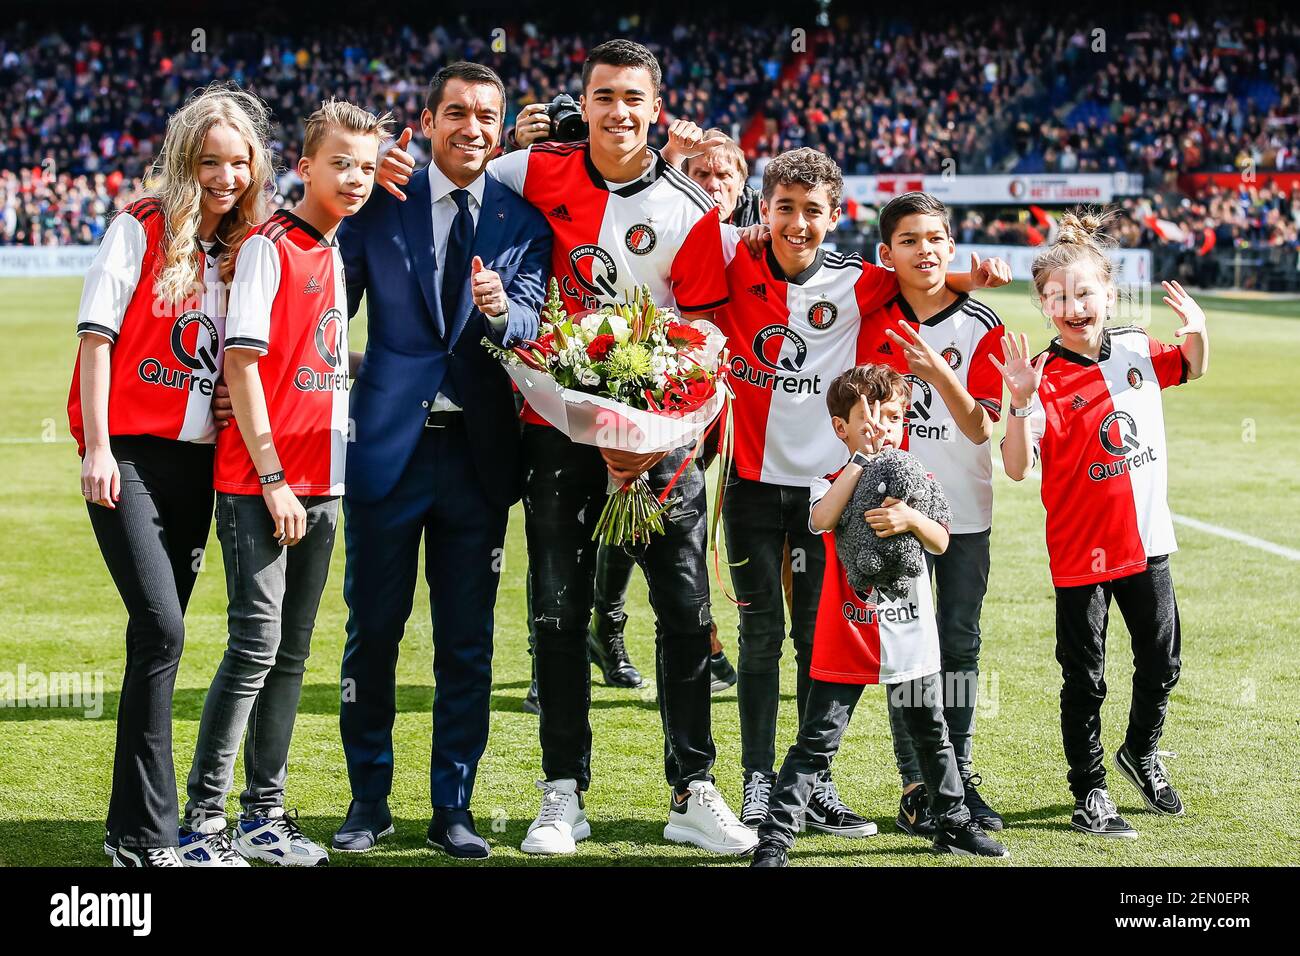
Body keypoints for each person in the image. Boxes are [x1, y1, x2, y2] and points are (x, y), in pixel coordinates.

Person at [379, 38, 755, 856]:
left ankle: (693, 790)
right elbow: (451, 169)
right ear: (581, 104)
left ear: (657, 110)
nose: (618, 112)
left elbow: (704, 340)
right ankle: (562, 794)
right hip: (554, 434)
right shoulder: (530, 175)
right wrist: (381, 160)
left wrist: (649, 439)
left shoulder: (691, 210)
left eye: (634, 99)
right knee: (556, 612)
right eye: (603, 96)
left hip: (663, 451)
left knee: (686, 615)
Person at [716, 160, 1011, 829]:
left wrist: (971, 277)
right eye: (784, 208)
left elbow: (926, 272)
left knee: (826, 644)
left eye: (812, 210)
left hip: (837, 491)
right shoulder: (737, 257)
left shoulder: (858, 281)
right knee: (760, 638)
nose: (798, 223)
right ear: (763, 210)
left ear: (833, 215)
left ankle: (818, 782)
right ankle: (761, 782)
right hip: (754, 481)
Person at [331, 62, 551, 860]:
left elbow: (532, 321)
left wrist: (506, 311)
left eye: (486, 117)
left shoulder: (525, 221)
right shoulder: (374, 209)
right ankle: (368, 799)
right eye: (454, 113)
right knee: (374, 634)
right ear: (425, 123)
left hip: (479, 461)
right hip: (385, 454)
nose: (472, 128)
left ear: (500, 129)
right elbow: (322, 306)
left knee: (468, 643)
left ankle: (453, 807)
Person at [68, 84, 273, 867]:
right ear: (185, 160)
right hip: (129, 458)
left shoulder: (245, 246)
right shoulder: (140, 226)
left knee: (156, 644)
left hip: (199, 468)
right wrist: (94, 447)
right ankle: (149, 839)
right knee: (162, 627)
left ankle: (129, 831)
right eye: (210, 161)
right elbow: (96, 342)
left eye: (238, 161)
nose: (224, 175)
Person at [179, 100, 388, 867]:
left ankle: (264, 817)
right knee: (253, 649)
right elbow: (242, 362)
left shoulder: (334, 252)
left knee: (293, 655)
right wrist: (272, 480)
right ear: (305, 167)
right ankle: (202, 824)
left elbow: (318, 364)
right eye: (341, 163)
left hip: (323, 480)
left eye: (367, 166)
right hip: (264, 484)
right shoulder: (272, 246)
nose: (356, 178)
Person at [997, 211, 1207, 837]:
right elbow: (1014, 467)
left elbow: (1193, 365)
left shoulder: (1140, 349)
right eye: (1058, 296)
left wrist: (1197, 331)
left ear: (1109, 295)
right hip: (1080, 553)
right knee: (1085, 678)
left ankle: (1140, 752)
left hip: (1149, 543)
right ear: (1043, 304)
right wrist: (1018, 402)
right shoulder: (1041, 375)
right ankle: (1090, 787)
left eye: (1085, 292)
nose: (1073, 304)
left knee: (1162, 663)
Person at [750, 364, 1009, 866]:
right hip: (849, 631)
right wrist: (861, 463)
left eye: (893, 418)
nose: (885, 429)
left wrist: (910, 518)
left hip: (910, 632)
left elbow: (942, 538)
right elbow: (821, 519)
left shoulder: (917, 479)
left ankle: (952, 824)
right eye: (871, 420)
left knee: (932, 733)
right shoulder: (830, 480)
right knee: (818, 739)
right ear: (840, 428)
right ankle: (776, 839)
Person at [863, 191, 1011, 834]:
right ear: (886, 253)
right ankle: (920, 781)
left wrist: (936, 372)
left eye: (935, 239)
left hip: (963, 514)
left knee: (959, 644)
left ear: (951, 247)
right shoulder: (868, 312)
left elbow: (981, 429)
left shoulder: (983, 326)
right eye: (909, 240)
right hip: (891, 511)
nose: (924, 250)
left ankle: (962, 774)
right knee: (906, 650)